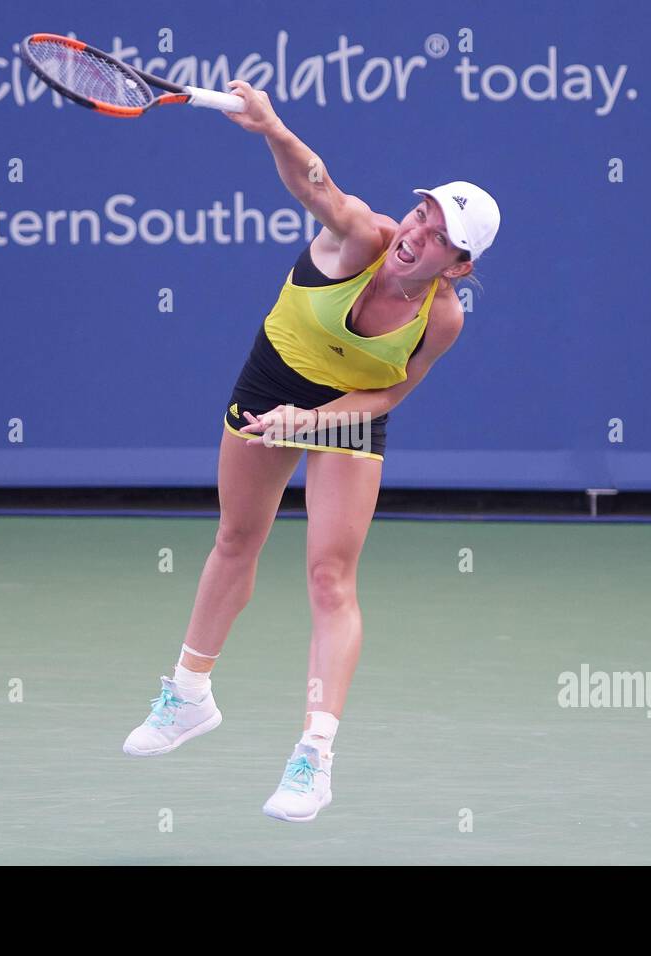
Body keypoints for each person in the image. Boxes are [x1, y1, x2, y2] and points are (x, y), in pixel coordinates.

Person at [123, 79, 500, 823]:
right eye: (422, 212)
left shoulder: (443, 319)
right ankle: (189, 695)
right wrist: (271, 127)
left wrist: (316, 422)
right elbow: (316, 182)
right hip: (272, 378)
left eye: (437, 236)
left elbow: (388, 396)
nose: (416, 233)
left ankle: (314, 759)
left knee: (331, 579)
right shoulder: (362, 234)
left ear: (457, 265)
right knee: (237, 537)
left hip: (349, 411)